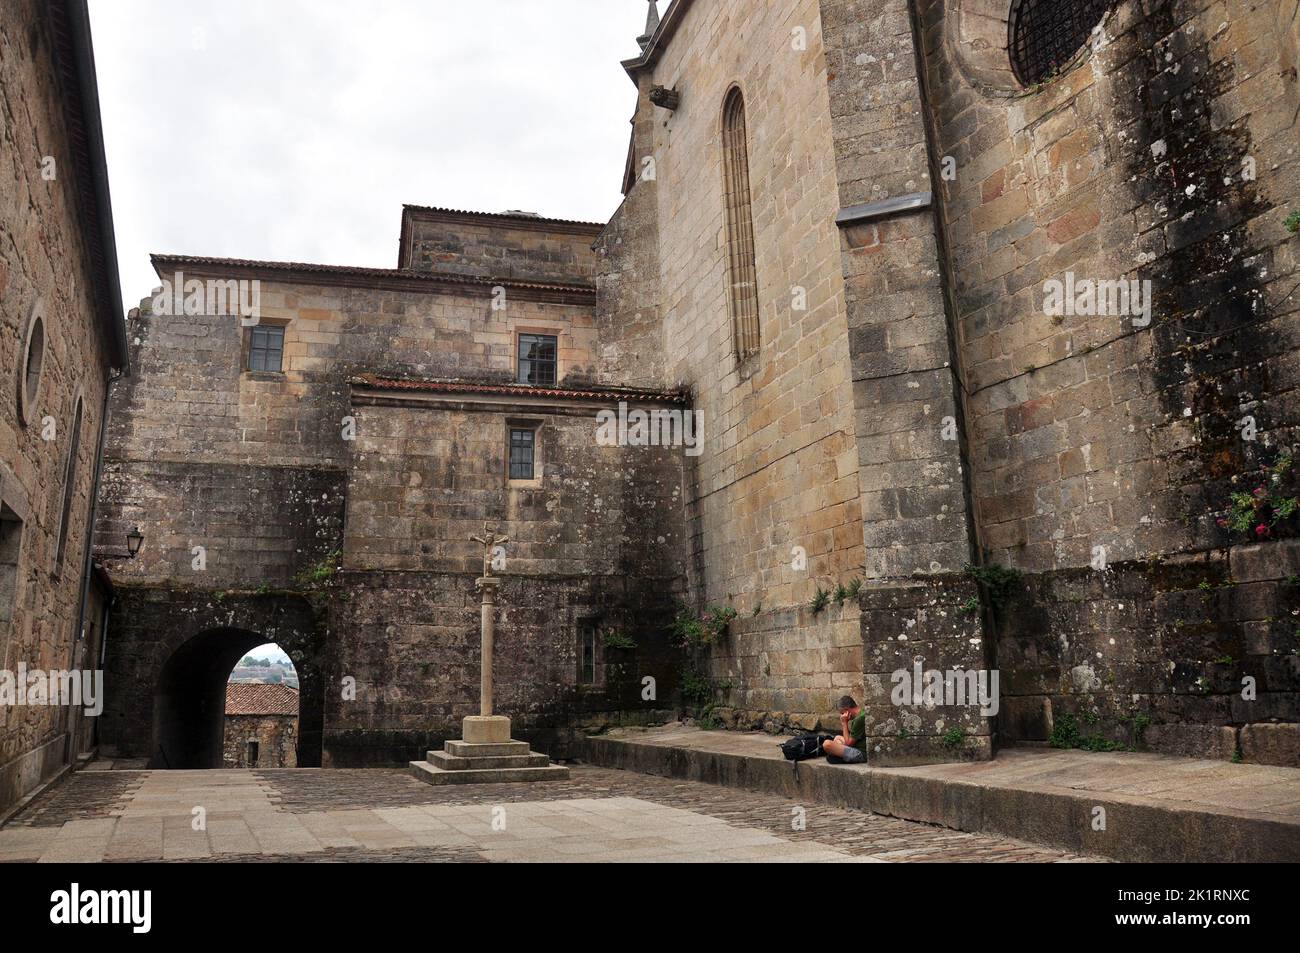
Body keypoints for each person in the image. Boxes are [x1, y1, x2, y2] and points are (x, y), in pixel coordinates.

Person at [822, 695, 867, 764]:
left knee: (827, 744)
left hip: (860, 753)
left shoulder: (859, 719)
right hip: (856, 746)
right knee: (837, 738)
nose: (842, 716)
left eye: (842, 713)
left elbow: (848, 744)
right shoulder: (862, 713)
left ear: (847, 710)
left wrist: (844, 723)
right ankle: (839, 755)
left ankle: (839, 756)